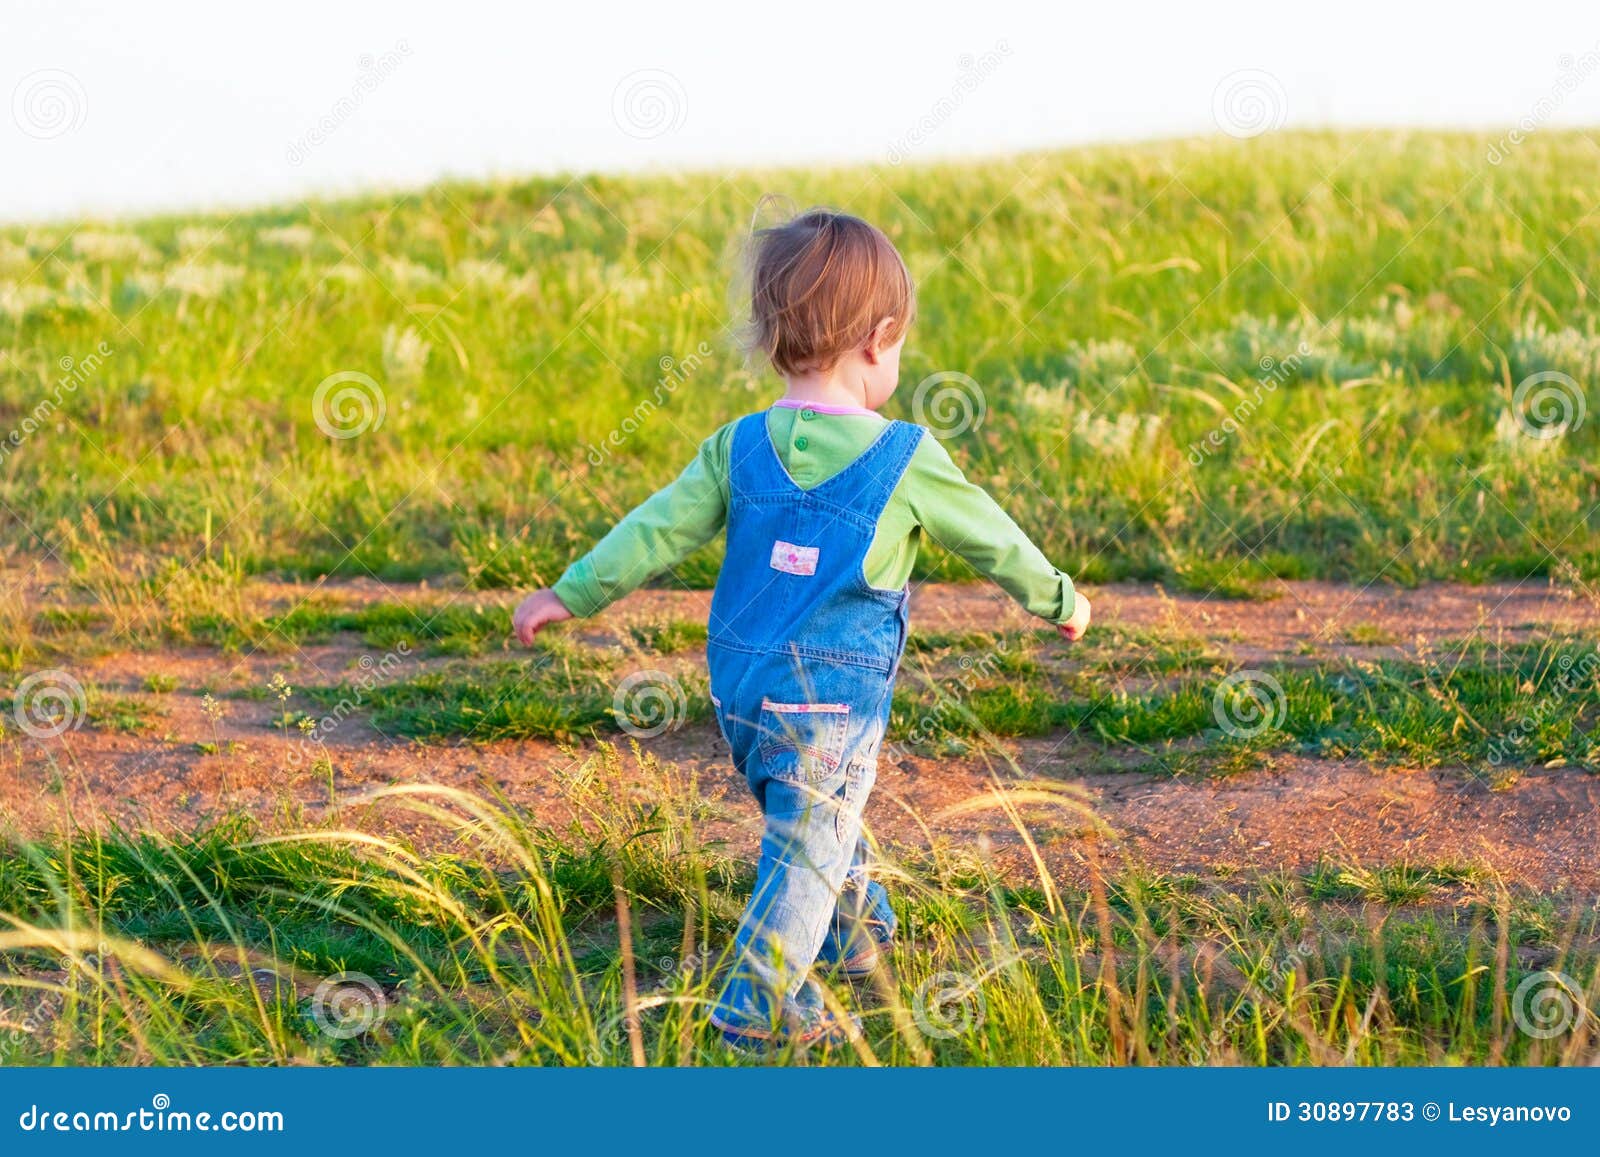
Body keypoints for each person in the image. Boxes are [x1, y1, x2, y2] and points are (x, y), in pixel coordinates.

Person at [512, 207, 1091, 1050]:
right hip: (831, 705)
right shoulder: (906, 455)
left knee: (809, 819)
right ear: (878, 338)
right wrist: (1059, 598)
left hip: (739, 691)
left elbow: (655, 527)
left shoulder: (737, 444)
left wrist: (573, 591)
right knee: (808, 846)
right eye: (899, 345)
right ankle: (759, 1010)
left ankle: (859, 932)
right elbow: (990, 534)